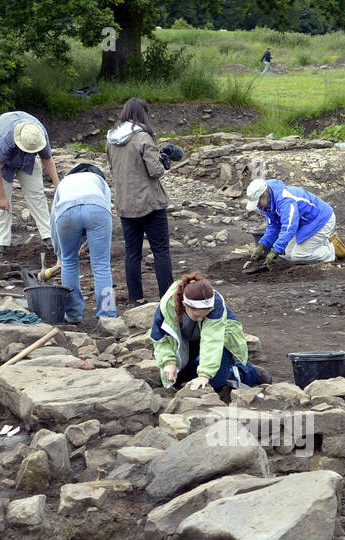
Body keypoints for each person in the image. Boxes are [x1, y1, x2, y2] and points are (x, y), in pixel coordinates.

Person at [149, 271, 270, 397]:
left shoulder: (215, 305)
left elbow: (212, 341)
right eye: (197, 316)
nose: (201, 319)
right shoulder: (167, 306)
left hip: (221, 340)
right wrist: (168, 362)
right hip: (188, 339)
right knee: (176, 377)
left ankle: (248, 373)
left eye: (204, 315)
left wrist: (204, 375)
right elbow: (161, 338)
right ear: (185, 305)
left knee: (214, 382)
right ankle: (215, 368)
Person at [106, 98, 174, 307]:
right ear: (143, 115)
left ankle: (137, 298)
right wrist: (164, 162)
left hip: (125, 203)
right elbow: (155, 171)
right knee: (161, 250)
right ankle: (167, 298)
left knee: (132, 252)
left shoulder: (111, 138)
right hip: (149, 203)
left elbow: (112, 167)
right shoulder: (142, 137)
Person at [0, 110, 59, 258]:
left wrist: (58, 184)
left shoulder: (39, 134)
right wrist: (2, 196)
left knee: (37, 194)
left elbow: (47, 159)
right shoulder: (4, 140)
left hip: (27, 158)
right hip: (0, 161)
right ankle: (1, 242)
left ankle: (48, 235)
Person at [50, 162, 116, 325]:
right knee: (101, 265)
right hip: (97, 209)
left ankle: (73, 315)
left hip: (66, 212)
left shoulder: (65, 183)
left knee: (69, 262)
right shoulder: (100, 182)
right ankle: (107, 315)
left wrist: (59, 254)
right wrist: (88, 245)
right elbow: (105, 210)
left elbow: (53, 220)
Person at [246, 178, 338, 266]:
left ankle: (331, 251)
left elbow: (289, 227)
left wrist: (275, 250)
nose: (258, 206)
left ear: (264, 195)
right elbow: (274, 226)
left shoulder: (285, 200)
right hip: (304, 223)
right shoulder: (267, 203)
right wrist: (262, 245)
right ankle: (318, 244)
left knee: (299, 256)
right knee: (287, 254)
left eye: (258, 202)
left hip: (321, 220)